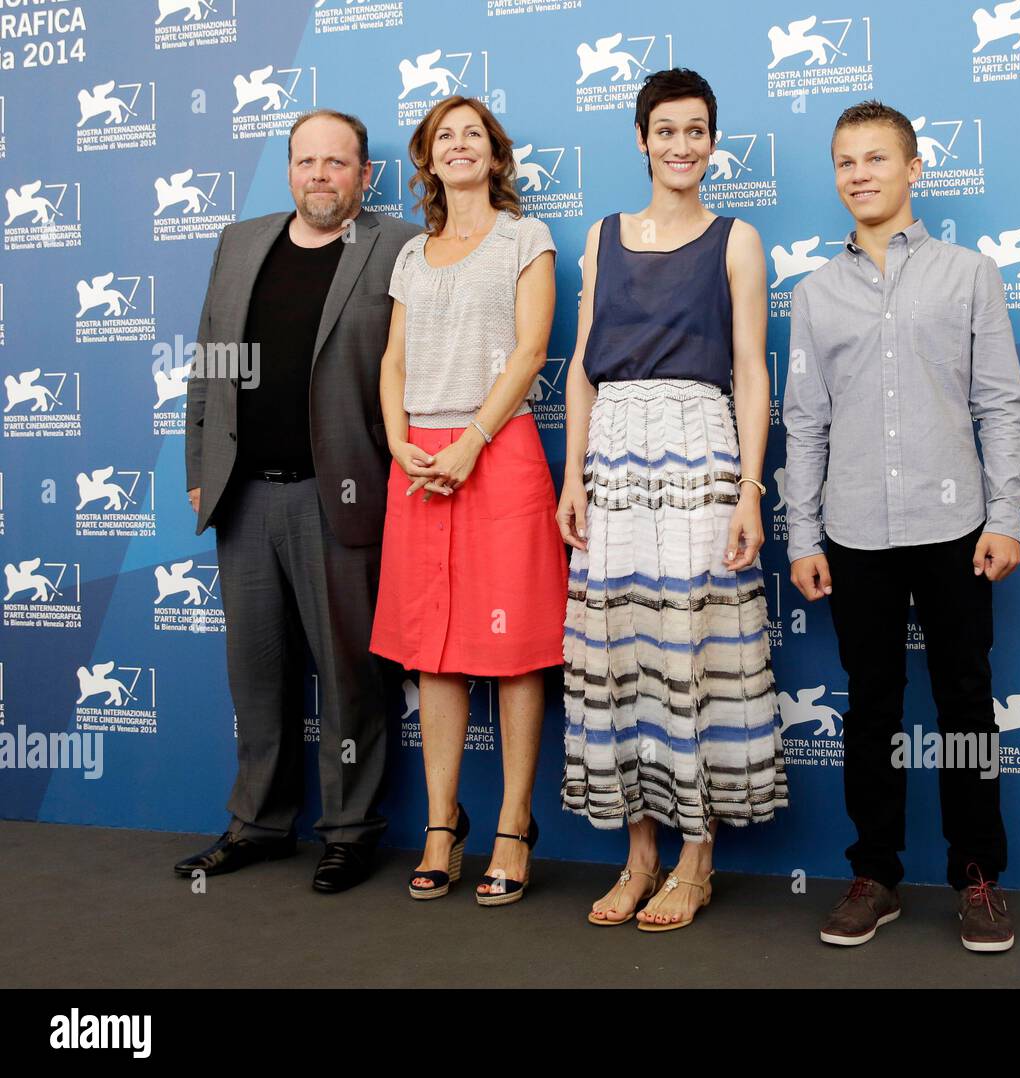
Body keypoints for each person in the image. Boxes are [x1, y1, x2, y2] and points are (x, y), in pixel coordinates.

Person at [783, 100, 1020, 952]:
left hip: (956, 526)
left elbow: (999, 405)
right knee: (872, 711)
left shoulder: (969, 274)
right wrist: (802, 535)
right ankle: (876, 874)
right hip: (853, 534)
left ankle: (977, 873)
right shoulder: (814, 294)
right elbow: (804, 422)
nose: (860, 173)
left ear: (914, 168)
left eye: (877, 158)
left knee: (964, 705)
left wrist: (1005, 516)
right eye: (846, 160)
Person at [557, 68, 787, 932]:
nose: (682, 145)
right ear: (642, 140)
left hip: (701, 449)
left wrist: (748, 490)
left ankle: (698, 859)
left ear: (712, 142)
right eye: (666, 130)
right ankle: (640, 855)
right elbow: (581, 368)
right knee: (622, 654)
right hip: (613, 456)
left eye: (697, 130)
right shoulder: (602, 235)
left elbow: (753, 374)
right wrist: (574, 475)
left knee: (698, 649)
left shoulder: (737, 240)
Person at [177, 109, 421, 893]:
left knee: (350, 676)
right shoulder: (242, 242)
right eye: (306, 161)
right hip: (244, 498)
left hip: (341, 495)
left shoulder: (394, 246)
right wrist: (199, 465)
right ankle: (258, 823)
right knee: (256, 674)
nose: (320, 175)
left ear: (363, 174)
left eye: (337, 163)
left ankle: (348, 831)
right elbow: (210, 367)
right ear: (289, 169)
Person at [369, 96, 566, 907]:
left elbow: (530, 351)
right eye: (444, 136)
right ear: (428, 157)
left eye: (472, 136)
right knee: (433, 649)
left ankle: (515, 825)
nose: (458, 146)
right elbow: (392, 360)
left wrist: (470, 442)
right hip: (419, 462)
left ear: (495, 156)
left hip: (499, 453)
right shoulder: (412, 254)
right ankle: (443, 825)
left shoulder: (527, 239)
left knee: (513, 647)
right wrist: (398, 440)